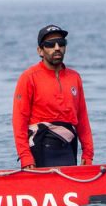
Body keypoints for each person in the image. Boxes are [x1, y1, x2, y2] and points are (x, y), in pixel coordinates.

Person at [12, 23, 94, 169]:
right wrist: (25, 156)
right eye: (50, 44)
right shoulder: (29, 77)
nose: (57, 48)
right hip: (41, 146)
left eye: (61, 43)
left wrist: (88, 153)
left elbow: (82, 118)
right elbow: (19, 120)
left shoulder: (74, 77)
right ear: (40, 50)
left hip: (68, 145)